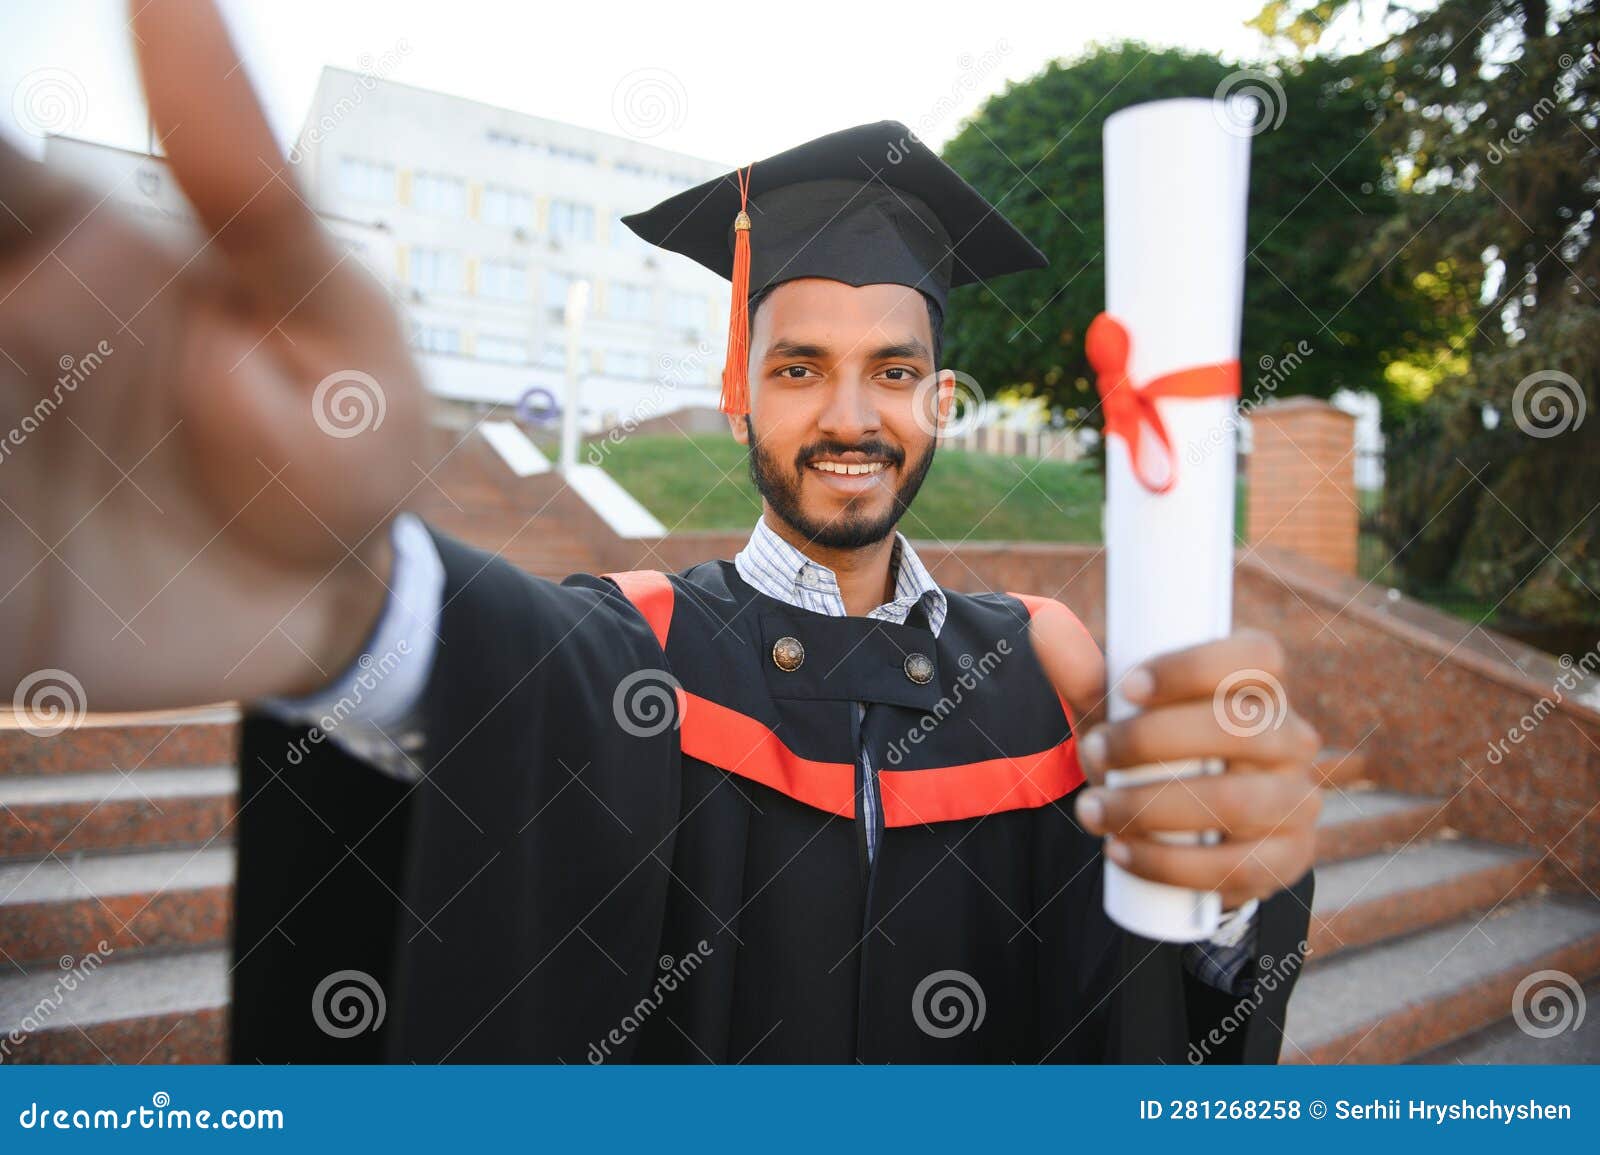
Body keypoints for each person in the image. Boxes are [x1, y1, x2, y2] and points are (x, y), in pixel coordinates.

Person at [0, 0, 1322, 1063]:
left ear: (941, 395)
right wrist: (338, 601)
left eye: (895, 370)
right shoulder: (637, 649)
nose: (850, 415)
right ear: (739, 387)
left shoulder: (1044, 678)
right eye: (799, 366)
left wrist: (1226, 898)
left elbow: (1128, 1032)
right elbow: (464, 670)